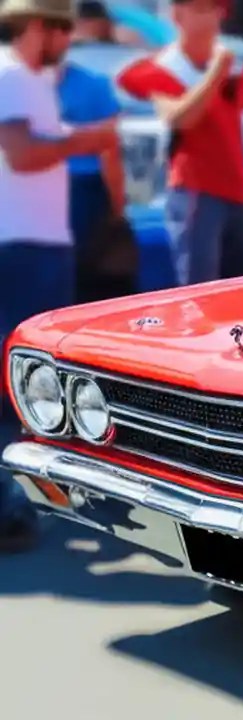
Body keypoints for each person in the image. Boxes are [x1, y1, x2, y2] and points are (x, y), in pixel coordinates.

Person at [0, 0, 118, 553]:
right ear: (40, 29)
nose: (67, 41)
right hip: (27, 248)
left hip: (26, 243)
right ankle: (12, 507)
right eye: (62, 30)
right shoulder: (16, 76)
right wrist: (87, 141)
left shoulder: (19, 77)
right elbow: (24, 156)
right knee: (24, 384)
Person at [117, 0, 243, 286]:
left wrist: (220, 70)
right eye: (200, 8)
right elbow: (179, 119)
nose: (211, 17)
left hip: (237, 189)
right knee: (200, 289)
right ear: (177, 14)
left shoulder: (235, 64)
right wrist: (215, 74)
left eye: (215, 9)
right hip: (196, 189)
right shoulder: (164, 68)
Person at [55, 3, 134, 302]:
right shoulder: (96, 84)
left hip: (49, 193)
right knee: (89, 286)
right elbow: (110, 153)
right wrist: (117, 208)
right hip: (87, 193)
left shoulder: (20, 83)